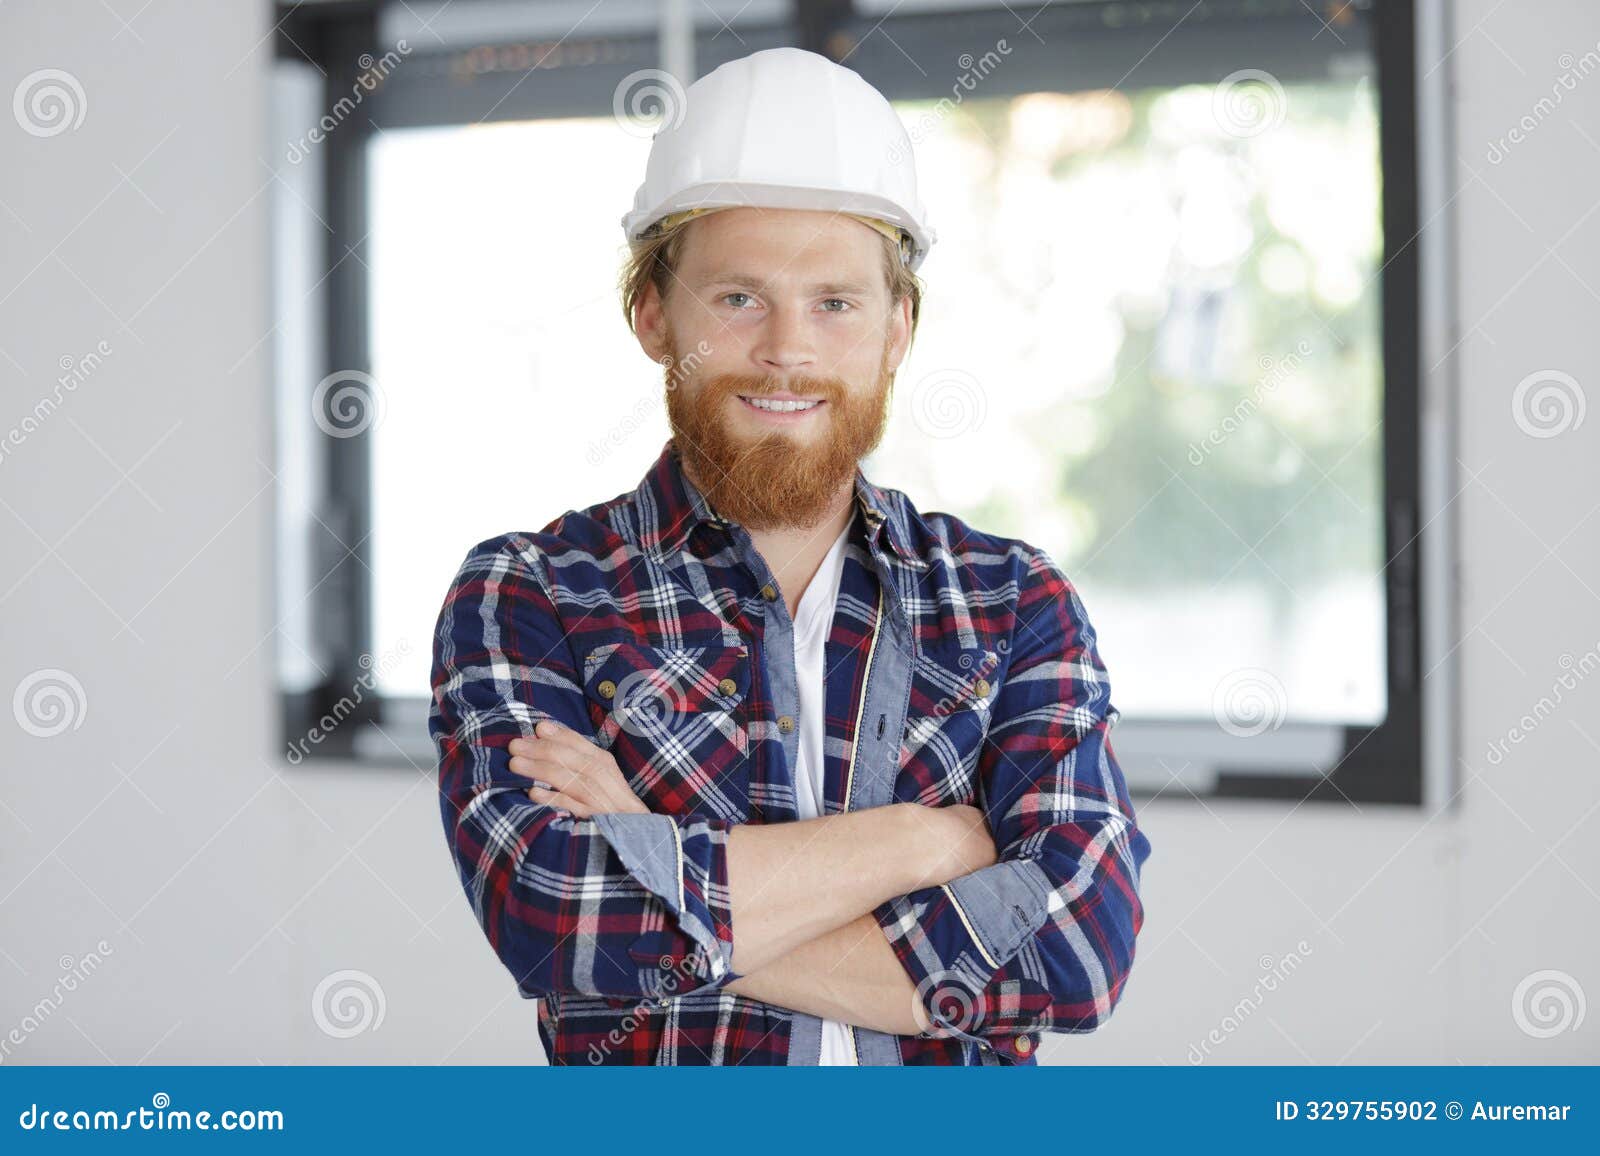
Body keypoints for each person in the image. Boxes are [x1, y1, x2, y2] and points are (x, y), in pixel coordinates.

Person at [429, 45, 1151, 1066]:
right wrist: (929, 842)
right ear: (651, 315)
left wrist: (656, 856)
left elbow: (1076, 952)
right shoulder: (529, 591)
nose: (786, 349)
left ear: (899, 326)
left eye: (835, 302)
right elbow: (557, 923)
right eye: (736, 299)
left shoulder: (1011, 601)